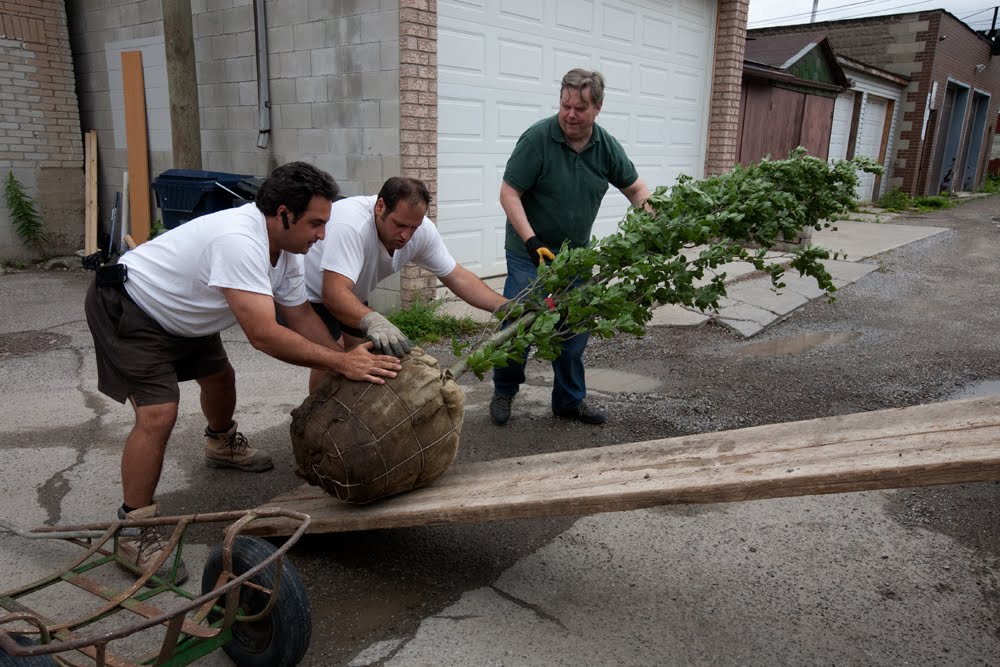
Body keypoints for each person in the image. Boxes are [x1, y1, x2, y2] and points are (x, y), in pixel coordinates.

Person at [84, 161, 401, 583]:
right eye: (315, 224)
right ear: (283, 213)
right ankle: (133, 527)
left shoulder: (286, 248)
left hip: (186, 312)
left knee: (220, 378)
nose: (322, 235)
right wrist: (342, 360)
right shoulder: (239, 240)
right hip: (132, 307)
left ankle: (220, 444)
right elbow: (265, 335)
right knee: (158, 413)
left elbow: (299, 313)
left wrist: (343, 361)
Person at [489, 68, 651, 427]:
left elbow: (637, 190)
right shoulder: (537, 140)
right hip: (528, 252)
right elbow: (508, 192)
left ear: (598, 108)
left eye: (579, 108)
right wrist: (532, 241)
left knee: (573, 328)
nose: (570, 115)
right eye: (565, 106)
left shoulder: (605, 146)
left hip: (575, 256)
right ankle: (504, 390)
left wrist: (654, 222)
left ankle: (568, 401)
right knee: (519, 321)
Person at [302, 176, 508, 391]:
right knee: (332, 358)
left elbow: (456, 276)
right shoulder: (352, 225)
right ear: (380, 206)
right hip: (313, 291)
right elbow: (333, 293)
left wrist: (505, 306)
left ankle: (349, 414)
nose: (405, 236)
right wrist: (374, 320)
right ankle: (315, 418)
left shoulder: (422, 230)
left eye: (413, 228)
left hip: (351, 290)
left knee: (365, 357)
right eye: (399, 225)